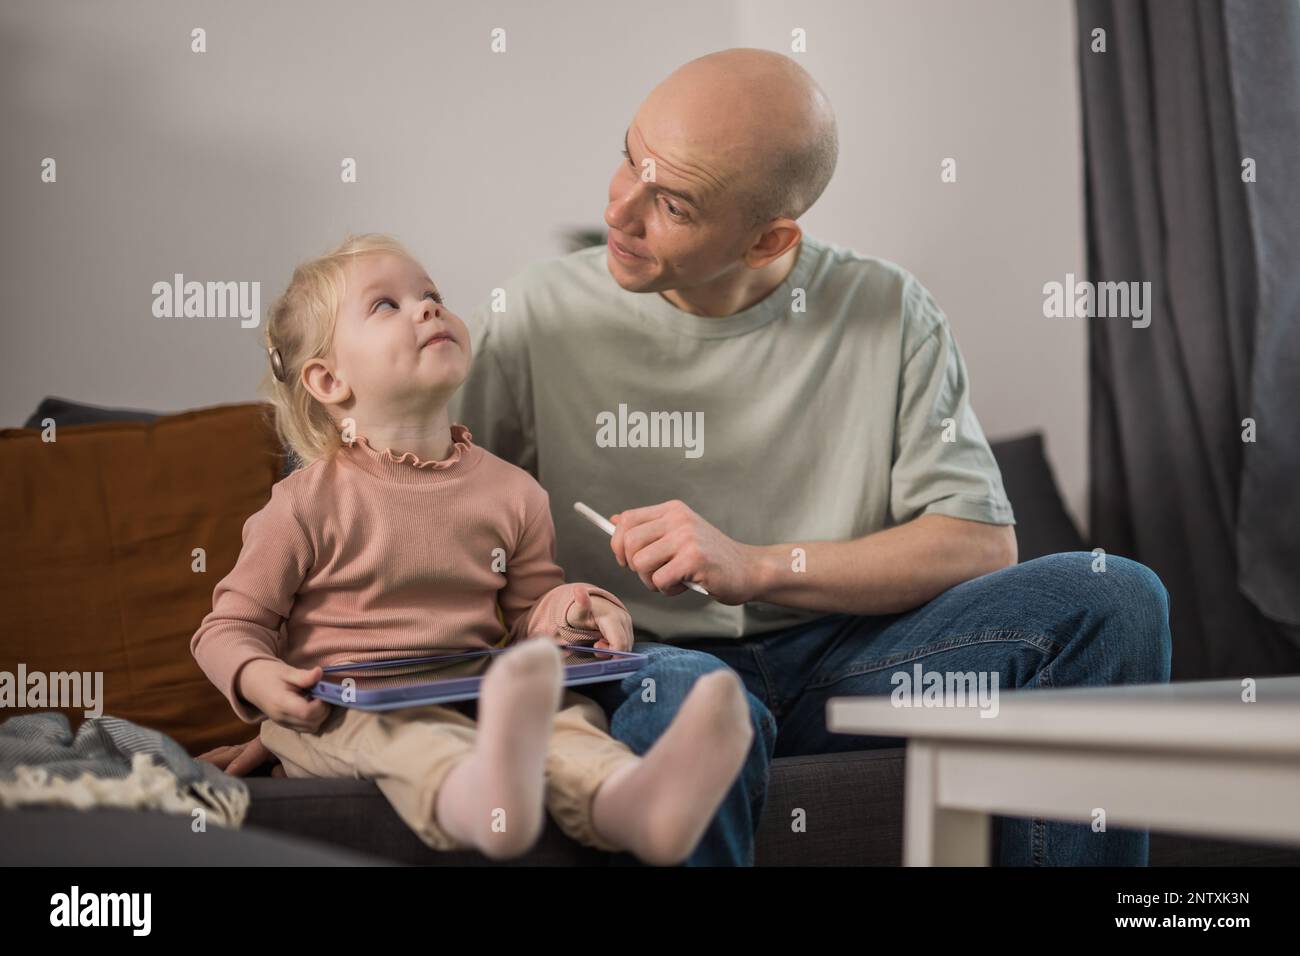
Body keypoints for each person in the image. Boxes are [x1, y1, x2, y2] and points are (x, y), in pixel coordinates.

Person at [447, 48, 1173, 866]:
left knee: (1116, 597)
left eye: (673, 202)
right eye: (628, 157)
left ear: (768, 240)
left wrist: (753, 566)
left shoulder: (890, 309)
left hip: (855, 661)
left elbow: (977, 540)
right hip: (654, 656)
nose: (620, 209)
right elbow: (444, 517)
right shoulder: (538, 312)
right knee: (694, 701)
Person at [190, 233, 753, 864]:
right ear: (328, 378)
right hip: (345, 710)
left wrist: (576, 609)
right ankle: (489, 806)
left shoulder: (514, 493)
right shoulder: (302, 505)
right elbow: (229, 627)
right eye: (386, 306)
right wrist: (258, 676)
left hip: (480, 694)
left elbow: (529, 618)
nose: (427, 308)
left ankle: (637, 805)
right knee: (408, 738)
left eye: (430, 295)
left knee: (568, 721)